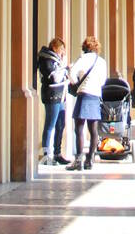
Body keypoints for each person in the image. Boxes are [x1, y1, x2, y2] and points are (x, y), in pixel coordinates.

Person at [66, 35, 107, 171]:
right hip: (95, 95)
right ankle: (90, 159)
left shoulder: (83, 59)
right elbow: (103, 81)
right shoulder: (101, 61)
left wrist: (77, 80)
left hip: (84, 94)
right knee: (93, 130)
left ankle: (78, 160)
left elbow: (71, 74)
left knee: (79, 128)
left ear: (85, 47)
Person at [37, 37, 70, 165]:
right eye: (62, 49)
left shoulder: (55, 59)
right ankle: (46, 155)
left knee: (61, 124)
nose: (63, 52)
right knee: (50, 124)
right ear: (55, 47)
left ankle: (57, 153)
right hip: (52, 94)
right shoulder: (46, 59)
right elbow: (53, 77)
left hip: (61, 94)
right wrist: (65, 70)